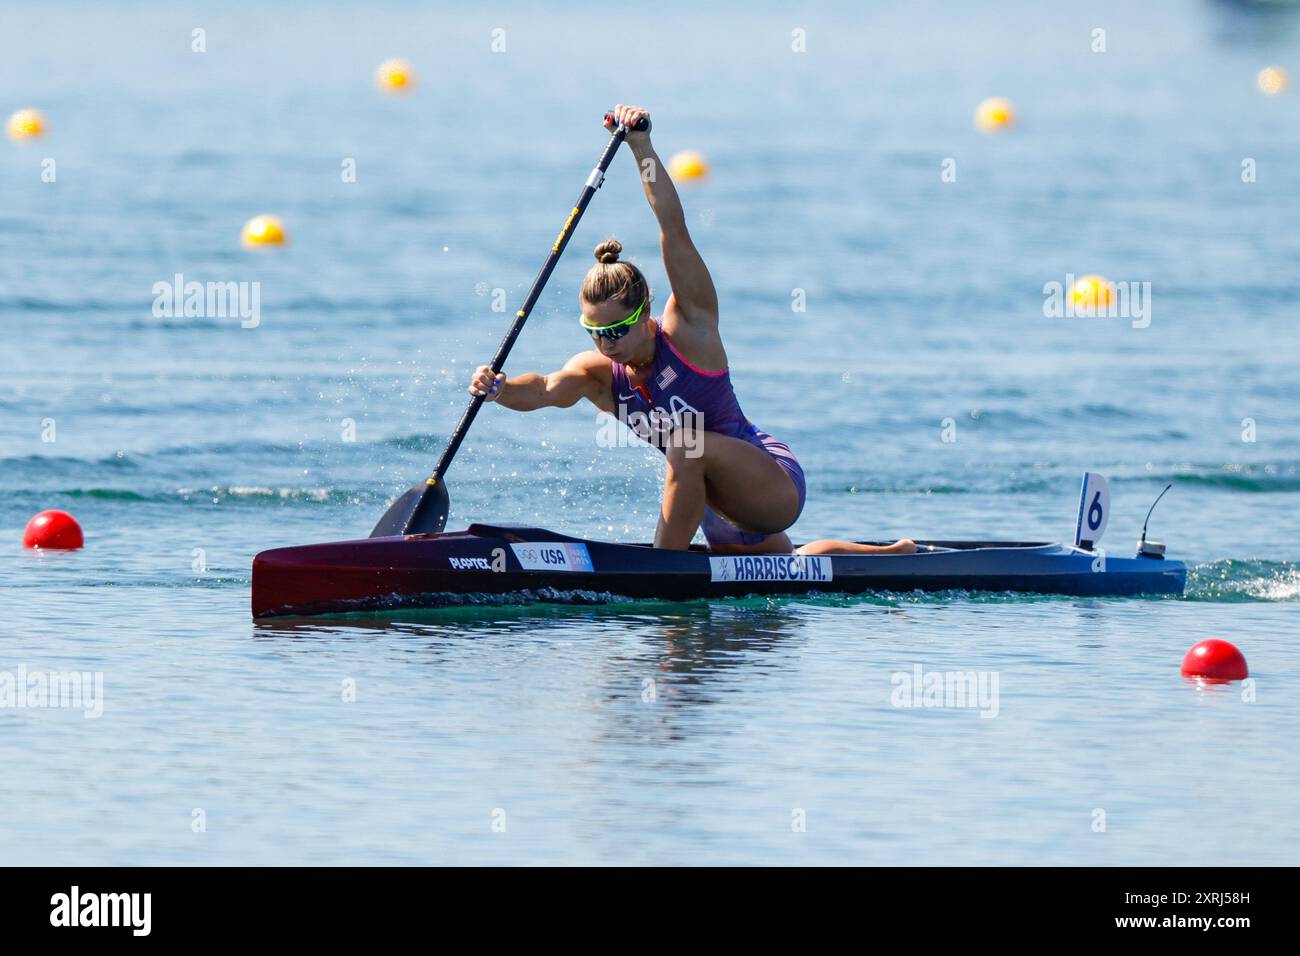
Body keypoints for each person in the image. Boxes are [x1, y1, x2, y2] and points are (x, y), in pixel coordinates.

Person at [470, 104, 915, 556]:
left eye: (618, 330)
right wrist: (499, 388)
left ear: (645, 313)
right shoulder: (600, 373)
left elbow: (672, 228)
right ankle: (887, 556)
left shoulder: (690, 332)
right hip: (712, 501)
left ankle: (661, 566)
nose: (607, 344)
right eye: (594, 332)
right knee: (786, 565)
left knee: (685, 446)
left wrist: (641, 147)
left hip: (770, 483)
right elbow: (544, 388)